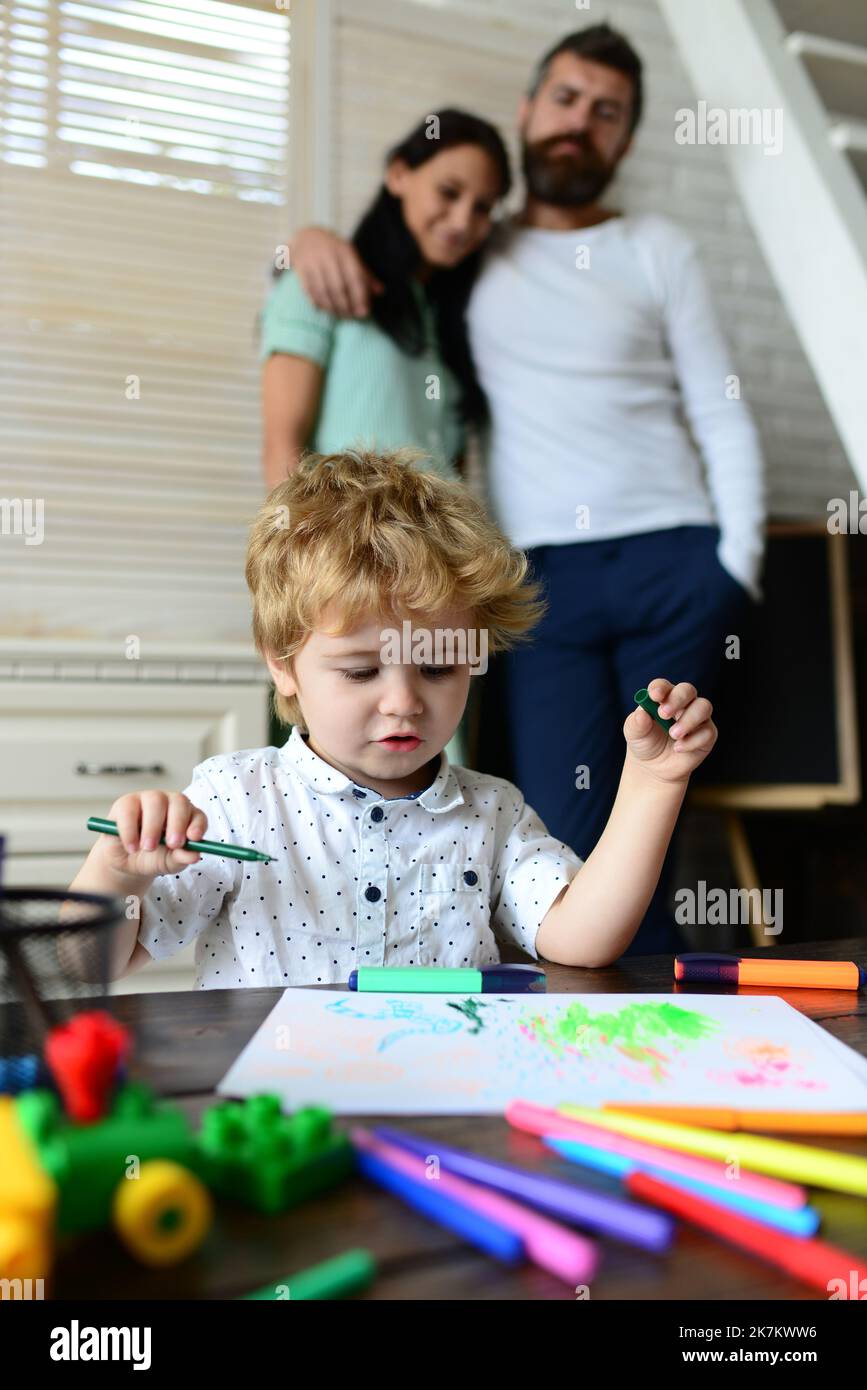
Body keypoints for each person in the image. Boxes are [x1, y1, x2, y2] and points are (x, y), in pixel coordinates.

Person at [283, 25, 765, 953]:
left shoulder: (659, 247)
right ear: (528, 110)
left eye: (606, 111)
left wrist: (730, 568)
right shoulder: (473, 249)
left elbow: (721, 407)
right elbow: (376, 271)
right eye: (566, 99)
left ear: (624, 139)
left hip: (675, 561)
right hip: (537, 580)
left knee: (656, 800)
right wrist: (299, 240)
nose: (579, 122)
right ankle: (572, 1036)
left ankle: (657, 1040)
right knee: (559, 816)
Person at [68, 451, 718, 990]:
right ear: (282, 665)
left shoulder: (491, 812)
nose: (404, 701)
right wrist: (117, 873)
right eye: (359, 672)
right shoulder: (234, 800)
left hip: (444, 1107)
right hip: (285, 1114)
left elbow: (582, 942)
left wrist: (651, 784)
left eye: (437, 669)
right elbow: (85, 970)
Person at [260, 109, 511, 490]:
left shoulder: (454, 322)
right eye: (449, 192)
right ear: (398, 175)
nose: (462, 222)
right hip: (348, 547)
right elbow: (282, 454)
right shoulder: (319, 282)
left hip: (446, 550)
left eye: (482, 208)